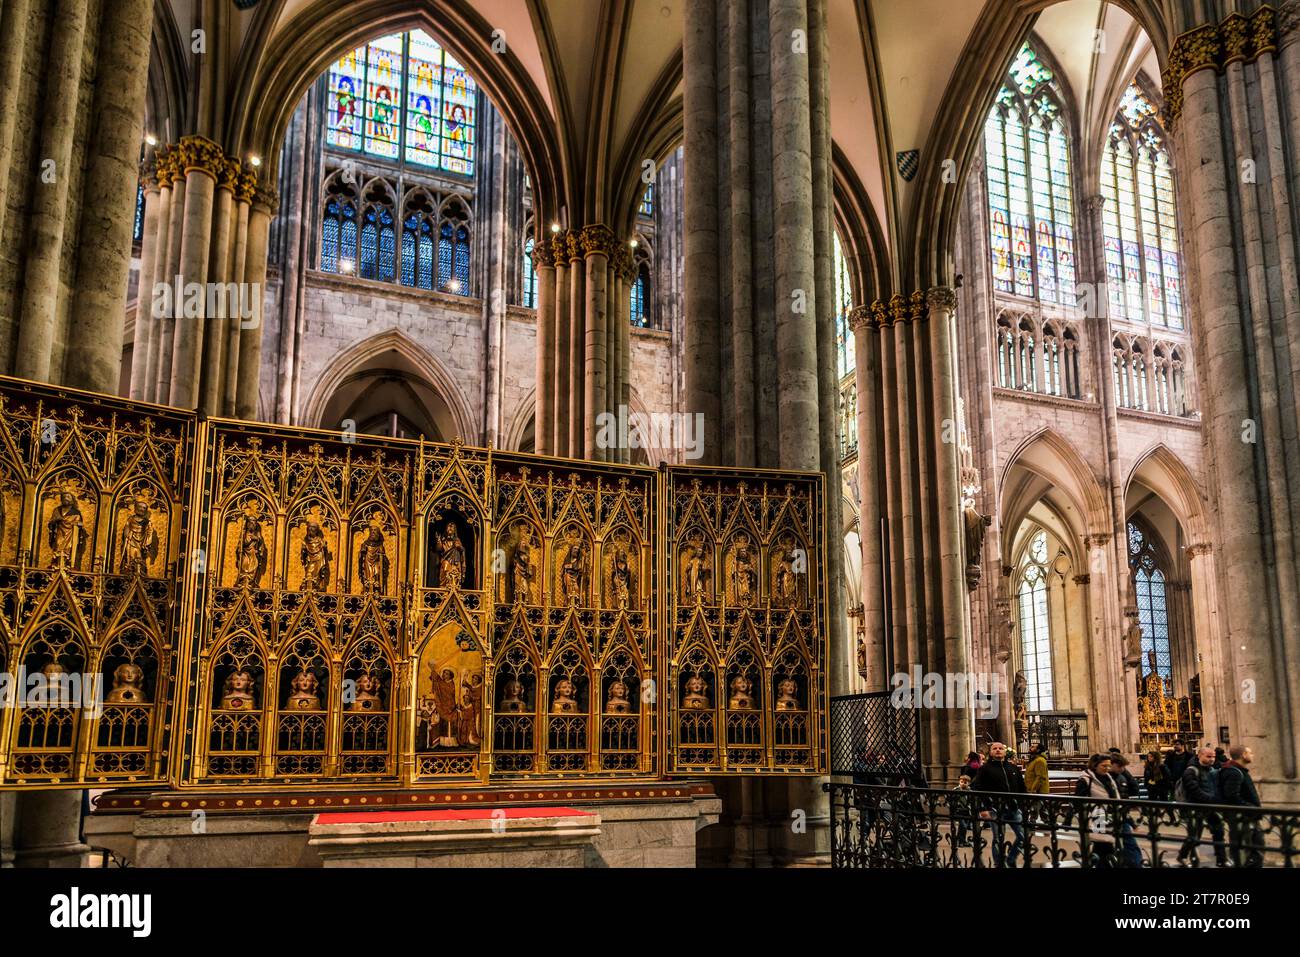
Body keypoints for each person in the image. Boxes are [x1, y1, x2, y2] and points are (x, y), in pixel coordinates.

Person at [971, 741, 1026, 867]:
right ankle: (999, 863)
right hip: (995, 809)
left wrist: (1023, 805)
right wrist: (983, 808)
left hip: (1013, 808)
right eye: (994, 748)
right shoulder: (984, 769)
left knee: (1024, 836)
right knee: (998, 839)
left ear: (1005, 752)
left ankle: (1011, 859)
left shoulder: (1012, 768)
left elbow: (1022, 787)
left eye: (1000, 748)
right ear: (990, 752)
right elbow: (978, 788)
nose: (997, 750)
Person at [1177, 746, 1228, 867]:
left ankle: (1221, 859)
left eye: (1214, 757)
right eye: (1208, 756)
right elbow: (1194, 790)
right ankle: (1184, 856)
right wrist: (1211, 799)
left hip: (1209, 807)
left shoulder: (1212, 770)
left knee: (1218, 831)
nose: (1212, 759)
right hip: (1195, 807)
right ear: (1199, 755)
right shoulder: (1191, 771)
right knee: (1194, 835)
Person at [1218, 746, 1263, 867]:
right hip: (1242, 816)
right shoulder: (1233, 772)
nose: (1252, 755)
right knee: (1245, 848)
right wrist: (1249, 807)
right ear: (1243, 755)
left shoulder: (1236, 770)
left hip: (1245, 815)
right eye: (1250, 752)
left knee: (1253, 846)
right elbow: (1232, 795)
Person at [1075, 753, 1121, 867]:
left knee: (1104, 846)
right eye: (1103, 766)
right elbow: (1079, 800)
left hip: (1110, 815)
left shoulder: (1108, 777)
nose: (1107, 768)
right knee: (1104, 845)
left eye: (1108, 766)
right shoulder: (1085, 779)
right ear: (1095, 765)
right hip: (1098, 816)